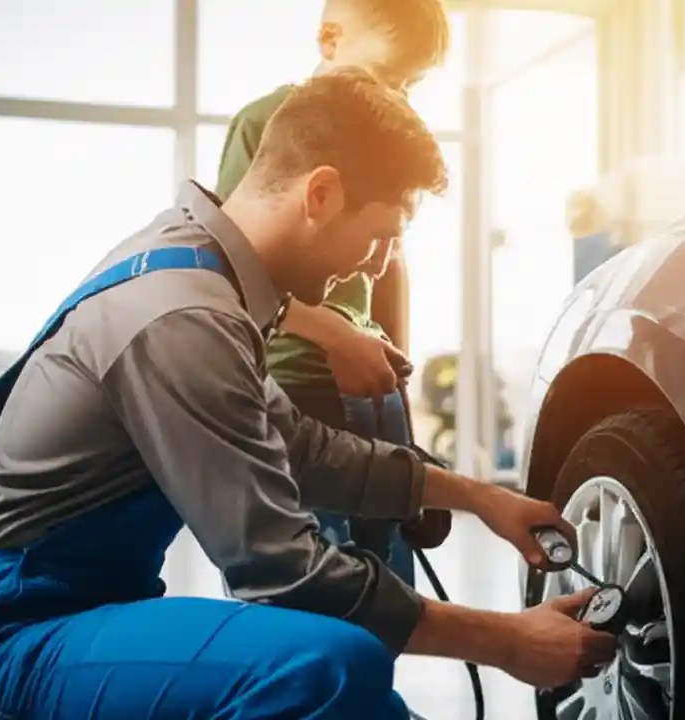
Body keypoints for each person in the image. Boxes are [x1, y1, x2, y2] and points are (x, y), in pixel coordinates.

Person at [0, 69, 616, 720]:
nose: (380, 265)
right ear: (322, 193)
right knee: (326, 666)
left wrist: (482, 498)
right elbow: (283, 571)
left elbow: (301, 449)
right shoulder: (184, 317)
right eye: (382, 237)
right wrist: (508, 641)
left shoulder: (202, 271)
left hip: (61, 611)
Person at [217, 0, 453, 582]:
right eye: (385, 75)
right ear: (330, 40)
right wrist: (331, 334)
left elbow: (391, 265)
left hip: (375, 389)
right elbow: (230, 262)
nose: (396, 95)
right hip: (294, 382)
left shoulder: (389, 139)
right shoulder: (268, 122)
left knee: (391, 570)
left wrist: (397, 383)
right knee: (317, 575)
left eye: (409, 83)